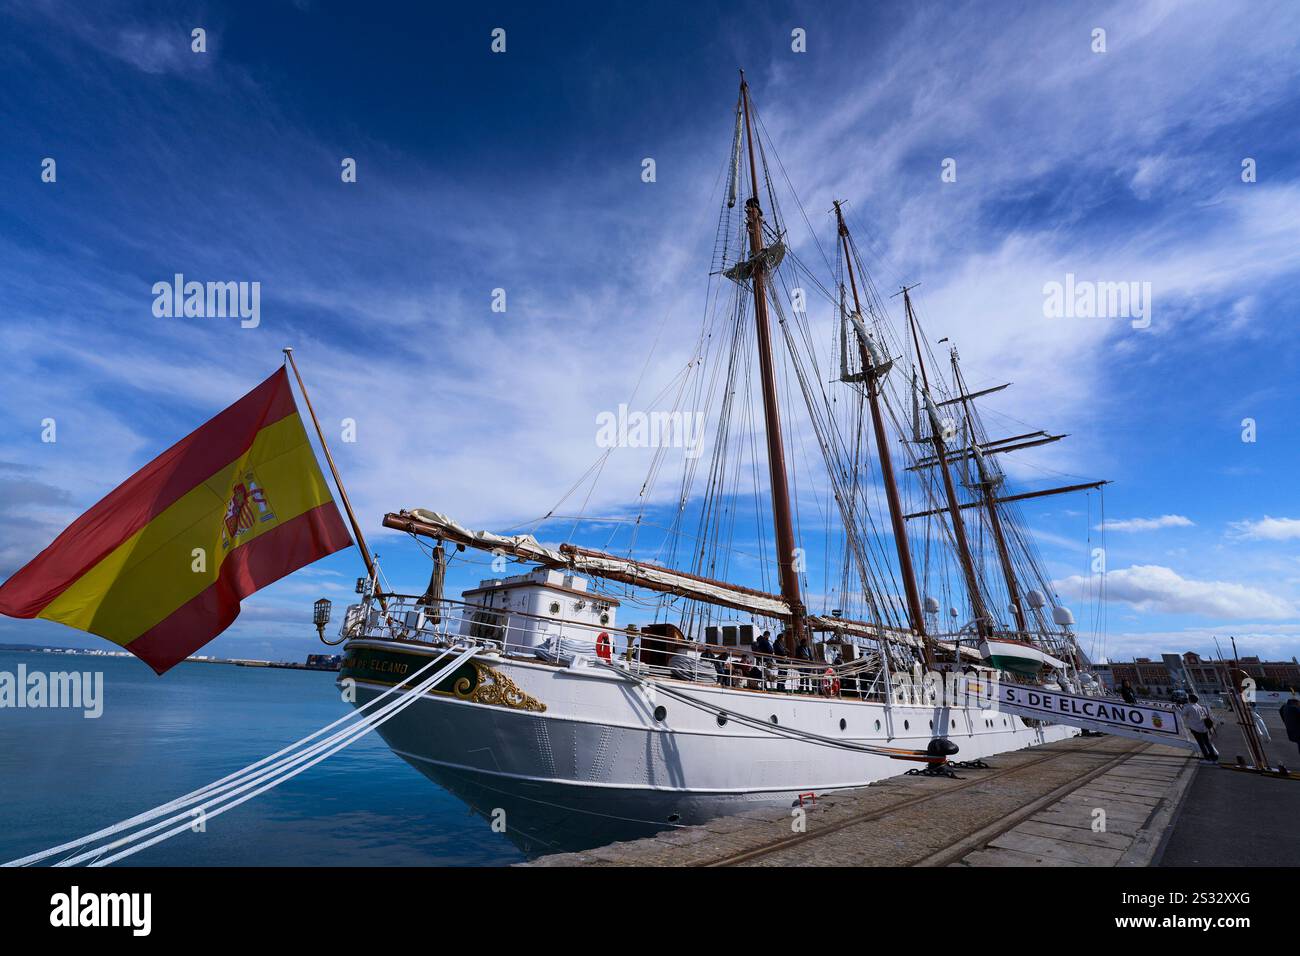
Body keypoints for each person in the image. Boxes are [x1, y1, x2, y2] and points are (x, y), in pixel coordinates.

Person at [1181, 693, 1219, 762]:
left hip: (1195, 728)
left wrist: (1182, 707)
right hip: (1203, 727)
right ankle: (1213, 756)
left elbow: (1182, 714)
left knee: (1201, 744)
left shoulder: (1189, 707)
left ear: (1189, 700)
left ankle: (1207, 758)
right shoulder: (1199, 706)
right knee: (1207, 742)